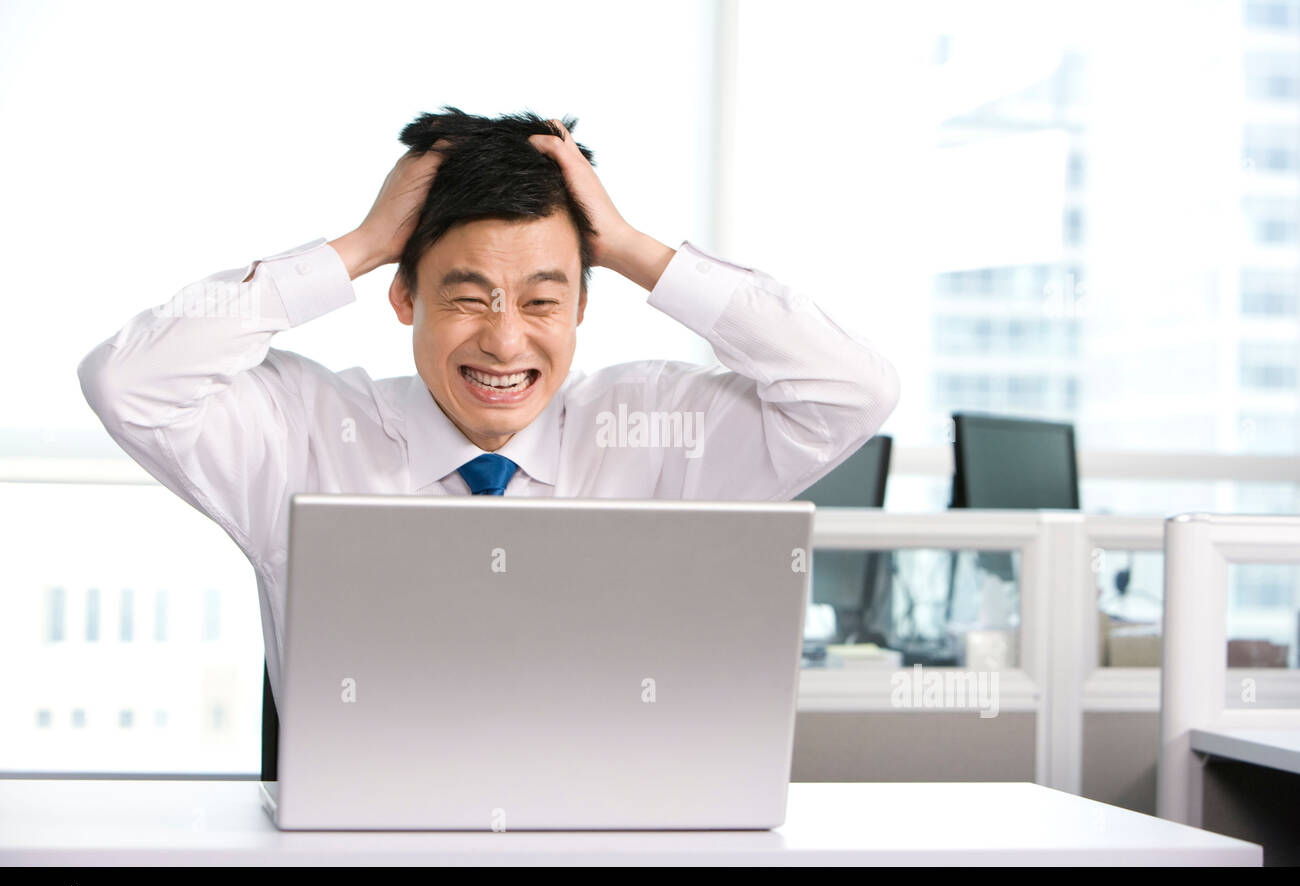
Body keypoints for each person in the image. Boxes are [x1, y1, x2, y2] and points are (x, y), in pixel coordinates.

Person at [77, 107, 901, 717]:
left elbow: (850, 390)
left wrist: (630, 247)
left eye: (544, 299)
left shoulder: (655, 430)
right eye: (468, 298)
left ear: (584, 305)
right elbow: (132, 381)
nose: (505, 343)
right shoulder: (301, 432)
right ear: (404, 297)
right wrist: (361, 245)